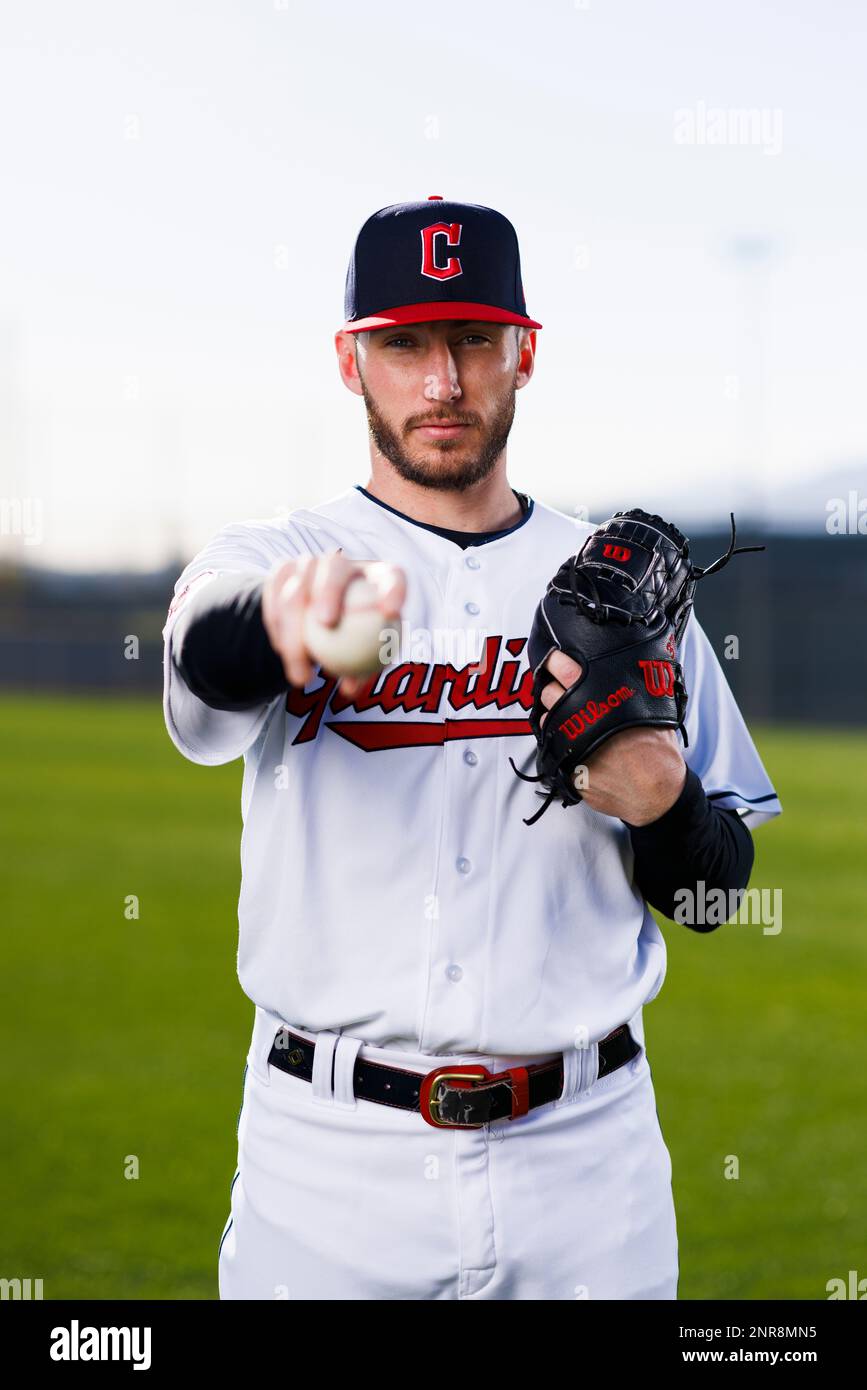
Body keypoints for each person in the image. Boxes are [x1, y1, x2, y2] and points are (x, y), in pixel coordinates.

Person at [161, 196, 781, 1301]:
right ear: (352, 361)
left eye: (472, 341)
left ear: (523, 354)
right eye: (404, 344)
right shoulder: (283, 553)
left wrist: (661, 801)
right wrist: (280, 624)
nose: (441, 381)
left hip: (590, 1171)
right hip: (329, 1170)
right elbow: (203, 667)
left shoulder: (618, 585)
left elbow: (714, 894)